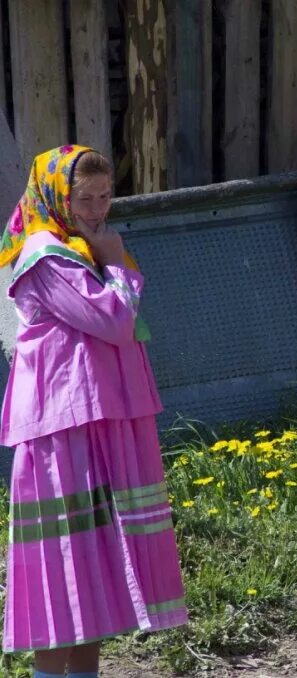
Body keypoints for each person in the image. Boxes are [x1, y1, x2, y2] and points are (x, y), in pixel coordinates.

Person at [0, 146, 187, 678]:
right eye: (85, 198)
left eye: (106, 196)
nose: (98, 208)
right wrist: (116, 264)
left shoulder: (82, 245)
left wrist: (108, 258)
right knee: (63, 570)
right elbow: (112, 321)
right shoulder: (46, 254)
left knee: (91, 567)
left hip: (96, 418)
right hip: (63, 428)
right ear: (59, 197)